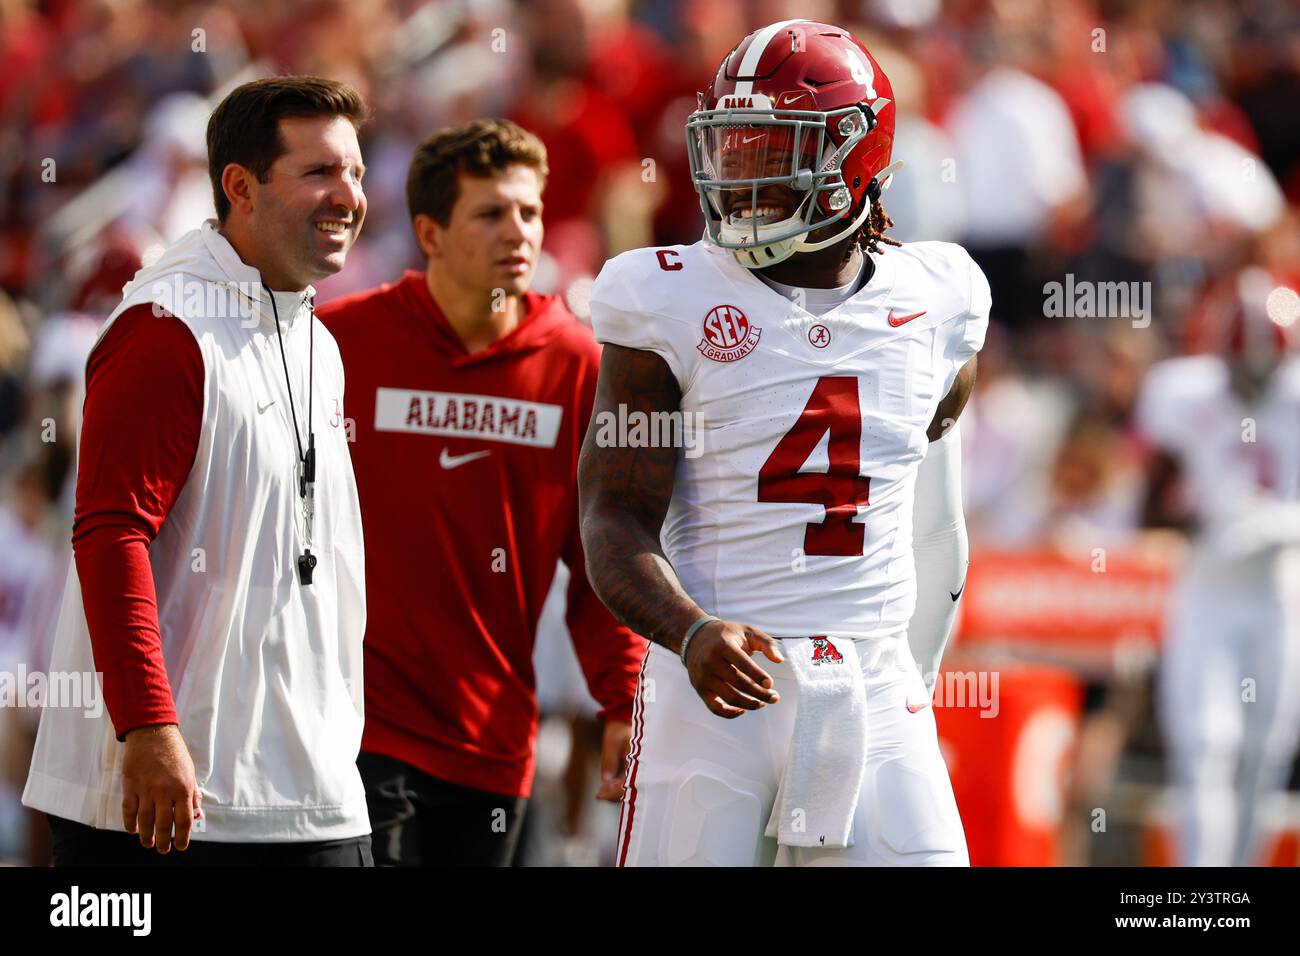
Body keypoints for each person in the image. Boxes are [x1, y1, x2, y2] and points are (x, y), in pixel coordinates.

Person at [579, 20, 984, 866]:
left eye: (773, 149)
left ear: (854, 155)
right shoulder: (665, 297)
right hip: (714, 691)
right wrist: (688, 632)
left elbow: (930, 491)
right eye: (733, 146)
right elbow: (612, 518)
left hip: (874, 683)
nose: (743, 175)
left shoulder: (939, 298)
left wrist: (917, 665)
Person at [23, 76, 373, 866]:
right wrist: (148, 726)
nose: (347, 195)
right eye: (319, 172)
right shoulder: (164, 328)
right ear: (240, 188)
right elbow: (112, 534)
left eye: (354, 171)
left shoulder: (318, 339)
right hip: (170, 809)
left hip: (311, 795)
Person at [318, 118, 644, 867]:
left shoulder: (577, 365)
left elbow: (602, 556)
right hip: (357, 733)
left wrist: (623, 703)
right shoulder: (335, 345)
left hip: (496, 743)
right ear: (429, 233)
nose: (519, 232)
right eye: (491, 213)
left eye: (529, 212)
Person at [1138, 267, 1300, 866]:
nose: (1252, 382)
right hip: (1207, 591)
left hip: (1280, 593)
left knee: (1265, 754)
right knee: (1206, 746)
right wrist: (1204, 519)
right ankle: (1203, 890)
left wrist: (1277, 525)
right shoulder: (1184, 393)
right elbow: (1150, 505)